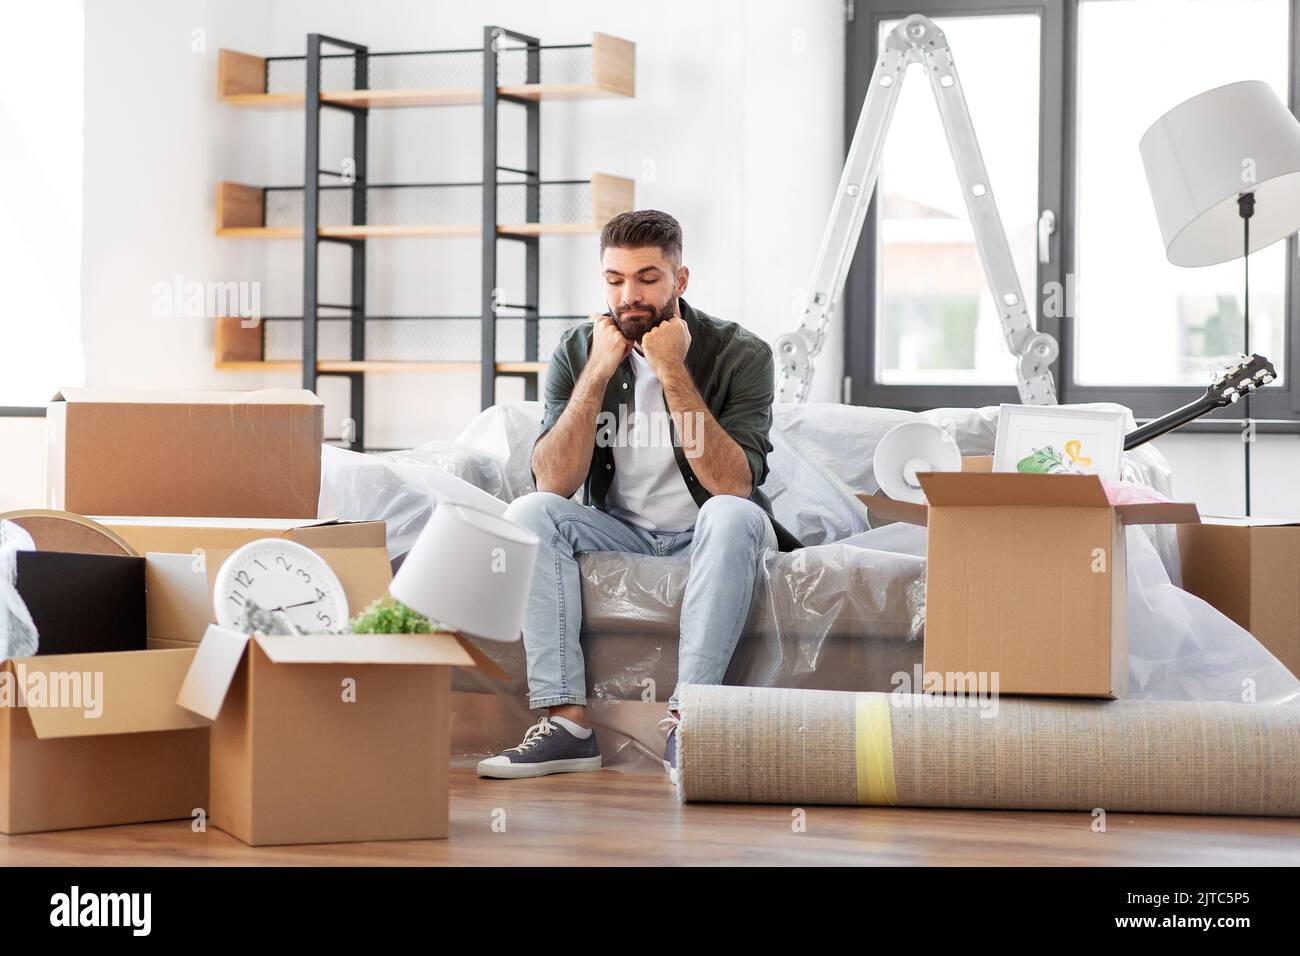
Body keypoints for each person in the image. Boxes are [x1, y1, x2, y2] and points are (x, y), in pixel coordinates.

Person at [477, 210, 799, 783]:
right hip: (621, 531)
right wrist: (597, 373)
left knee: (731, 512)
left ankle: (689, 723)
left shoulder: (741, 354)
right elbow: (552, 482)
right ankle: (568, 726)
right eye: (615, 279)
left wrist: (673, 372)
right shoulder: (580, 349)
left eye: (648, 278)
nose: (630, 295)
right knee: (529, 512)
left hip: (709, 529)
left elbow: (734, 485)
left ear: (681, 280)